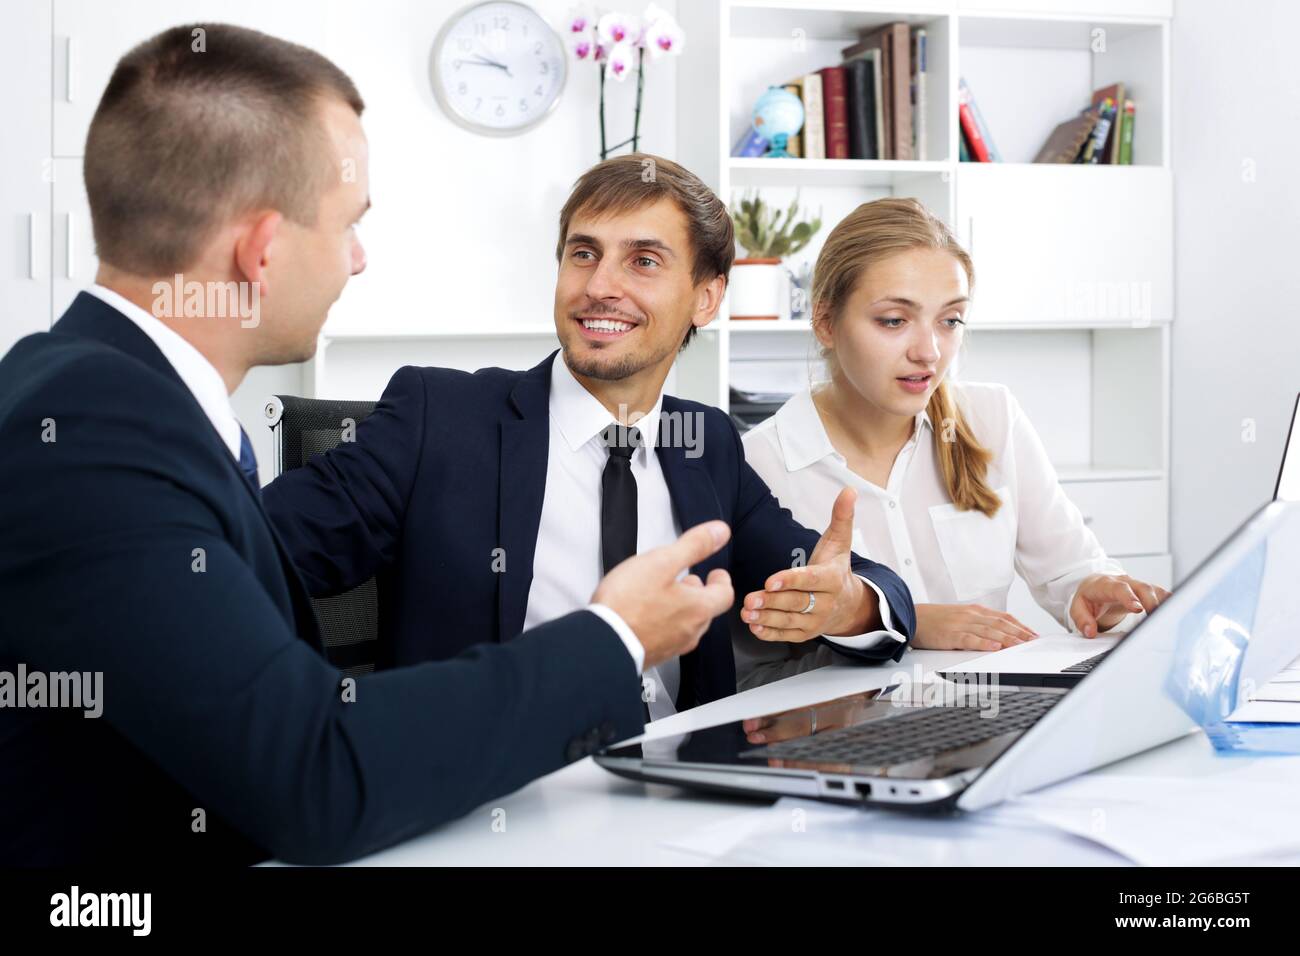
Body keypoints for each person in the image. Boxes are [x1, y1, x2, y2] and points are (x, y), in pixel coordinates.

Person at [0, 23, 735, 866]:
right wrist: (615, 636)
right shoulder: (96, 430)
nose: (356, 260)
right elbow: (315, 772)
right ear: (262, 249)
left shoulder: (106, 398)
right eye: (348, 225)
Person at [262, 154, 916, 720]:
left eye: (644, 260)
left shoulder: (705, 442)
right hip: (491, 799)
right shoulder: (441, 417)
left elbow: (836, 576)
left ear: (706, 299)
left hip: (679, 795)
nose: (600, 287)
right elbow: (253, 546)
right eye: (583, 254)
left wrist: (850, 603)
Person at [737, 197, 1170, 688]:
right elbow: (753, 673)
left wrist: (1094, 594)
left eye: (951, 320)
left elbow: (1069, 570)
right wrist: (912, 625)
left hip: (989, 721)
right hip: (848, 741)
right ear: (825, 322)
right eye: (894, 321)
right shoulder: (759, 464)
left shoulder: (992, 418)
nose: (929, 352)